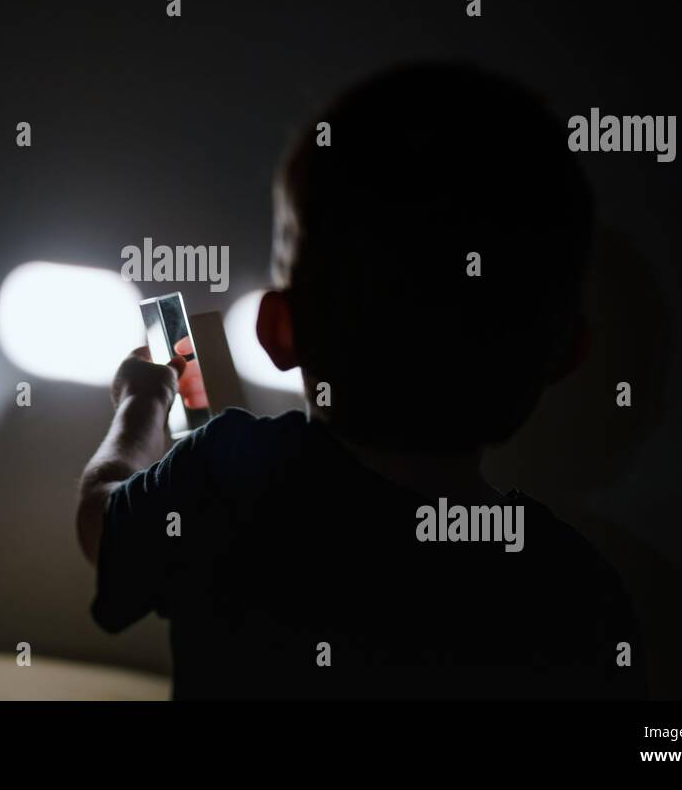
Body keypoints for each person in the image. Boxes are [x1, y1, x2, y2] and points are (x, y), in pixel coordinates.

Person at [75, 63, 647, 699]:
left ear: (278, 330)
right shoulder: (575, 590)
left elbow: (101, 519)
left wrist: (141, 403)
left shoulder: (229, 473)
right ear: (566, 355)